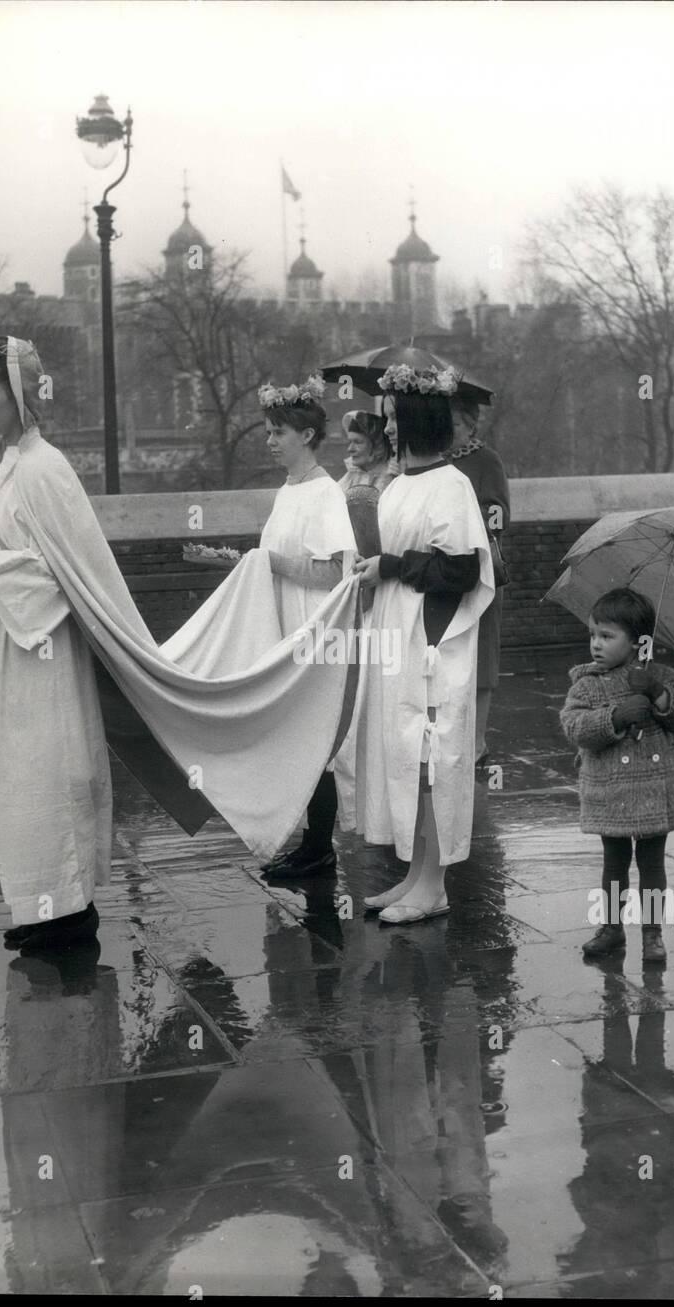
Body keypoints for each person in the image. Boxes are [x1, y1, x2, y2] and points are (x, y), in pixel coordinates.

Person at [0, 336, 110, 952]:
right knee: (15, 776)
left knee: (46, 773)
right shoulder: (9, 465)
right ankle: (38, 906)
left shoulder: (43, 468)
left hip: (42, 650)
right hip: (9, 646)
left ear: (18, 394)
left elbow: (62, 570)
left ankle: (69, 910)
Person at [349, 363, 494, 924]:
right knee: (404, 756)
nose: (385, 429)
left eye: (391, 419)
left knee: (430, 758)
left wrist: (390, 564)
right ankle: (413, 874)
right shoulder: (399, 483)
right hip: (397, 633)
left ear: (414, 421)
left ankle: (434, 884)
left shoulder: (451, 485)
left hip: (431, 641)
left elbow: (457, 570)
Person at [559, 588, 674, 965]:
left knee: (653, 864)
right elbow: (574, 727)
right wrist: (616, 717)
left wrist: (658, 695)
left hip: (655, 789)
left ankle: (652, 933)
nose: (596, 644)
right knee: (614, 863)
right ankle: (611, 927)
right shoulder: (586, 684)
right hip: (612, 791)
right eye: (593, 635)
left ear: (640, 643)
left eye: (607, 636)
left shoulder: (661, 676)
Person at [256, 374, 357, 879]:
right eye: (269, 432)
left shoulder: (324, 494)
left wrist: (271, 563)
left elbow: (337, 570)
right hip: (285, 620)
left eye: (278, 433)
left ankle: (319, 847)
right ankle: (309, 843)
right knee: (295, 733)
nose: (270, 442)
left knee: (315, 736)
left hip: (313, 624)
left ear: (307, 437)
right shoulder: (288, 490)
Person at [446, 399, 510, 765]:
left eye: (455, 425)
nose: (449, 432)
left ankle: (477, 742)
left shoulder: (487, 461)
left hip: (480, 566)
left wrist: (465, 524)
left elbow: (499, 515)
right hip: (446, 568)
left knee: (482, 656)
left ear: (470, 426)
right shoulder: (436, 461)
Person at [338, 409, 396, 496]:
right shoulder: (350, 477)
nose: (350, 449)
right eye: (350, 442)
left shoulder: (392, 478)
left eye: (357, 442)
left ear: (378, 446)